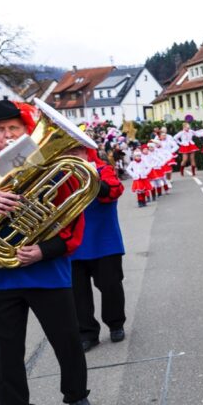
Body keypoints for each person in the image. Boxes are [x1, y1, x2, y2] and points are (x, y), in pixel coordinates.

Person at [0, 101, 94, 405]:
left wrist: (44, 250)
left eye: (13, 129)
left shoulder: (47, 158)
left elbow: (72, 214)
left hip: (45, 268)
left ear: (24, 129)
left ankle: (76, 395)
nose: (6, 136)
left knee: (66, 338)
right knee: (5, 353)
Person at [71, 147, 127, 352]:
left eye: (77, 151)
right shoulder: (57, 175)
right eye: (67, 152)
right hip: (71, 245)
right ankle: (87, 333)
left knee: (110, 286)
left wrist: (89, 177)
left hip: (104, 241)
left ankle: (115, 324)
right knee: (77, 293)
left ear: (87, 153)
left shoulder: (103, 170)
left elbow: (114, 191)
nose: (73, 156)